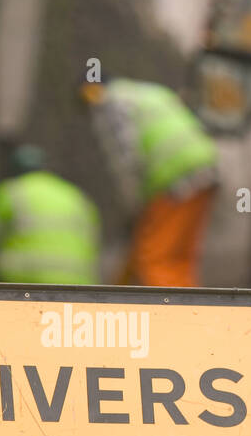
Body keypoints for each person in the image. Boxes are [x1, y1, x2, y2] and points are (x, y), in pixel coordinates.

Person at [80, 74, 219, 286]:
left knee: (155, 259)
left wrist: (135, 207)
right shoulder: (150, 92)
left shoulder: (111, 104)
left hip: (174, 178)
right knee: (179, 258)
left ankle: (172, 315)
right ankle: (193, 310)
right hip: (206, 170)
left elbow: (126, 160)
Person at [0, 144, 100, 284]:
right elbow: (94, 239)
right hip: (77, 282)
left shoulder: (11, 192)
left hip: (23, 281)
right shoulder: (74, 195)